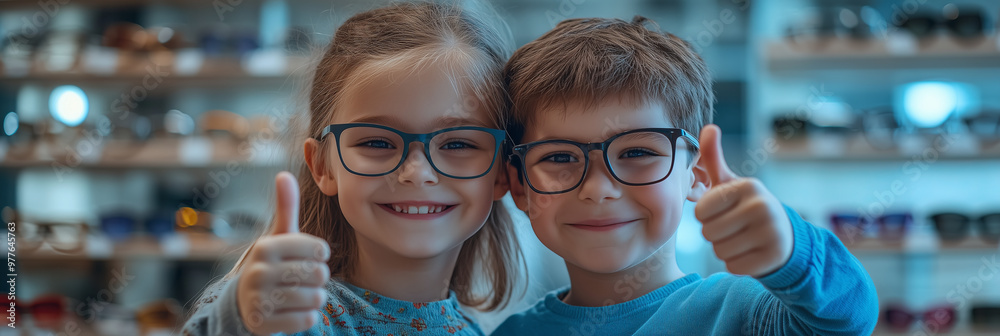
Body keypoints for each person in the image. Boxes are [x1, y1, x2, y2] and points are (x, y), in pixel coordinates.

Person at [493, 16, 879, 335]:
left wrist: (793, 251)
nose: (598, 190)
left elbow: (848, 317)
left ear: (697, 174)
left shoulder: (745, 315)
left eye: (638, 152)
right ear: (520, 186)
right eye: (560, 156)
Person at [181, 2, 522, 335]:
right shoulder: (286, 315)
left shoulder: (479, 329)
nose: (417, 172)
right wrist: (243, 318)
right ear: (321, 166)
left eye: (458, 144)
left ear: (502, 172)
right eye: (377, 143)